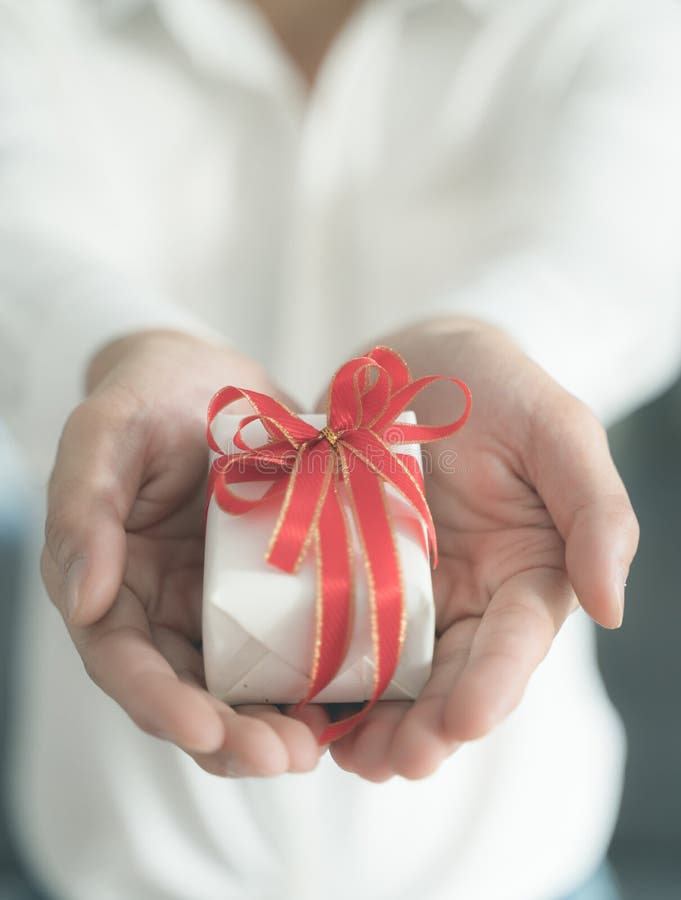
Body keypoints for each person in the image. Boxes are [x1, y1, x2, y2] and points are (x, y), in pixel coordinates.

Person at [2, 1, 681, 898]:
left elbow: (631, 233)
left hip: (513, 861)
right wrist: (114, 347)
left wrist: (502, 345)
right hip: (111, 857)